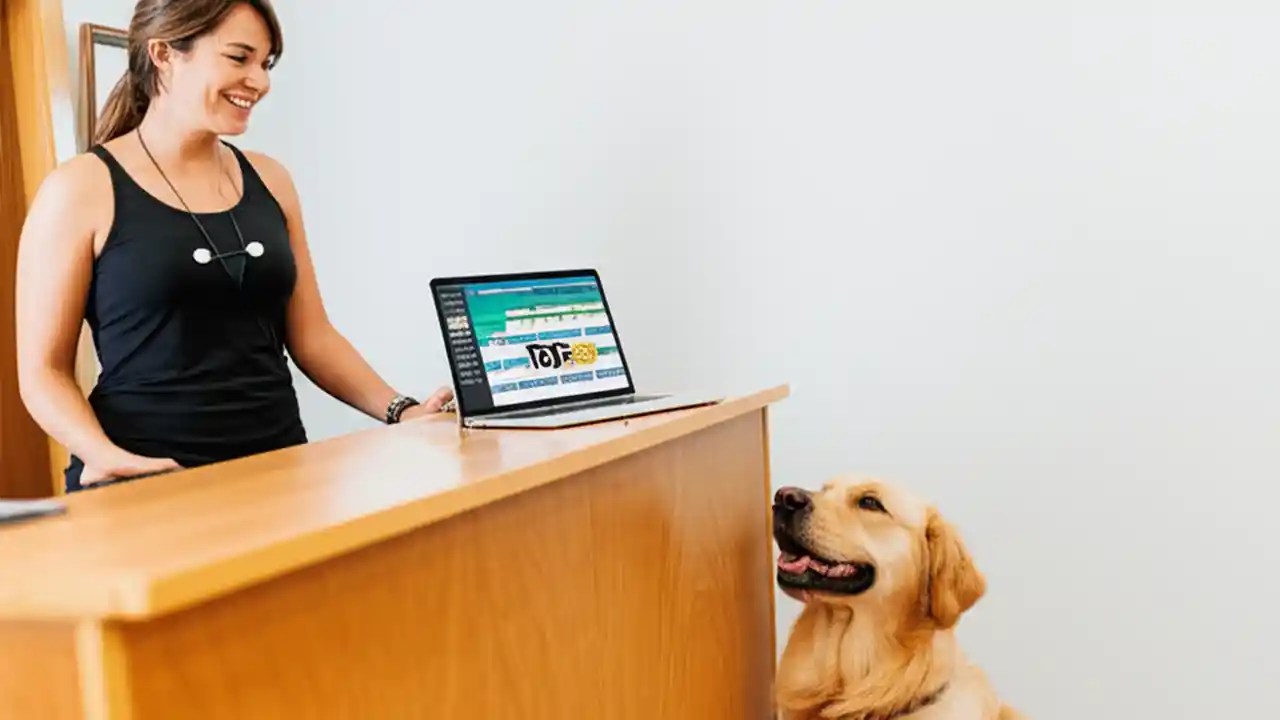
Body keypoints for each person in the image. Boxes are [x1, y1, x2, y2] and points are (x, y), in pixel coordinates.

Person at [15, 0, 452, 492]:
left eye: (265, 64)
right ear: (164, 53)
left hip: (276, 468)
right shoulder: (80, 188)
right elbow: (42, 371)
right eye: (239, 58)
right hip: (143, 479)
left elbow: (313, 336)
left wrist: (401, 410)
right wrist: (105, 456)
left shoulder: (270, 178)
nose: (260, 81)